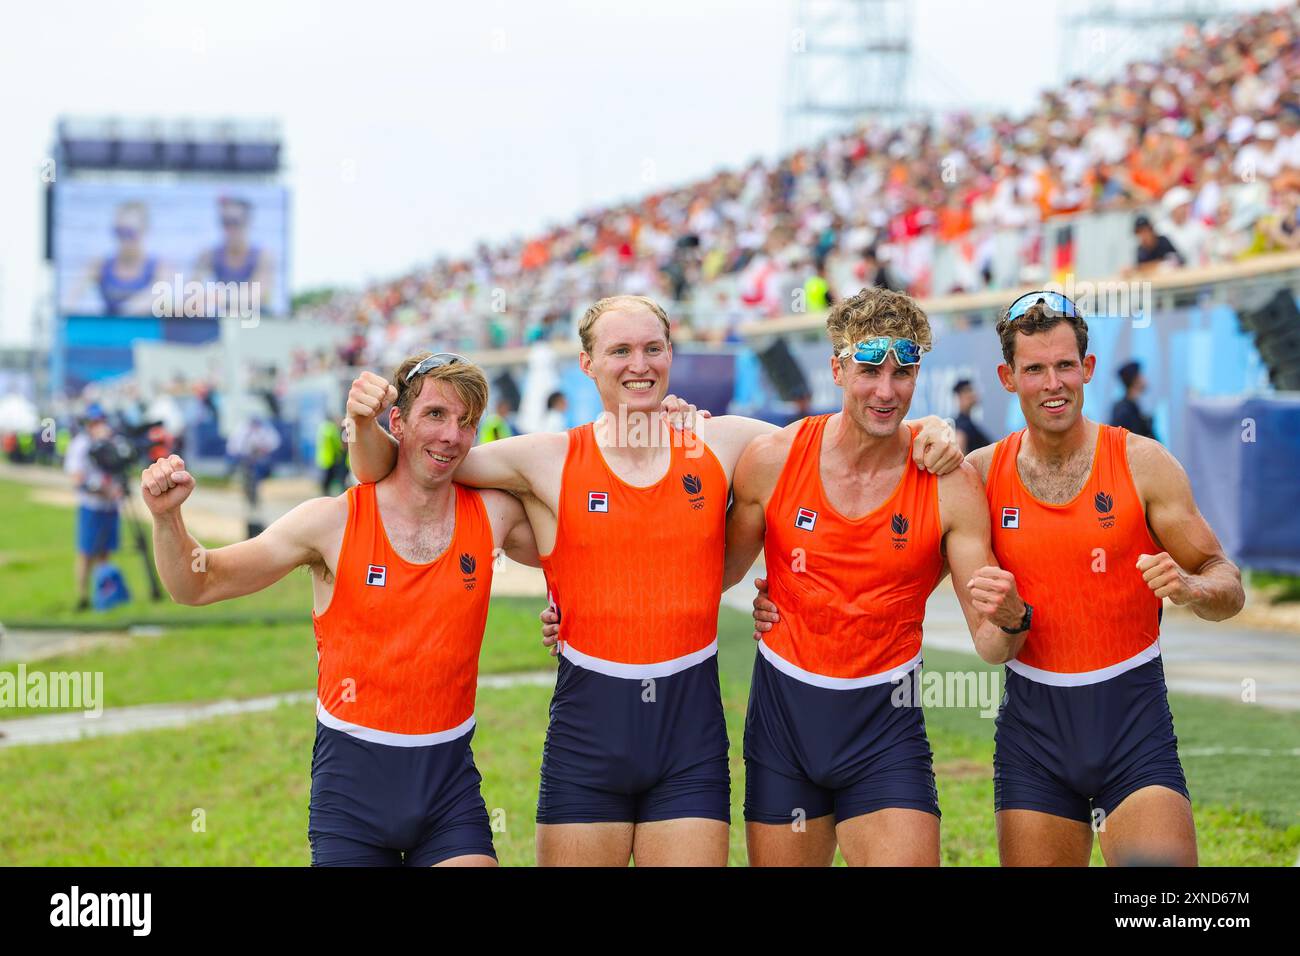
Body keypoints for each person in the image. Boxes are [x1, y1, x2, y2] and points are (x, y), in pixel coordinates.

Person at [345, 294, 962, 867]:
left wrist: (930, 429)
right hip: (588, 739)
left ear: (671, 357)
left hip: (687, 739)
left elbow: (845, 441)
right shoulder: (546, 457)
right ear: (587, 363)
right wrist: (365, 427)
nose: (638, 365)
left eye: (652, 349)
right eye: (620, 351)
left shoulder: (723, 443)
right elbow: (413, 467)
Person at [140, 352, 540, 866]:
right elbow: (197, 583)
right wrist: (167, 517)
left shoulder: (493, 513)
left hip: (448, 790)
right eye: (435, 415)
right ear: (397, 422)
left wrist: (563, 612)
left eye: (466, 424)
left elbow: (579, 551)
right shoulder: (331, 524)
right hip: (352, 794)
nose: (451, 436)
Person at [722, 288, 1029, 866]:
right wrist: (588, 609)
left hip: (885, 731)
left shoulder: (947, 481)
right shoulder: (775, 459)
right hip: (784, 724)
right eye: (868, 370)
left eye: (903, 372)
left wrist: (1015, 615)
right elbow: (709, 577)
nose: (886, 391)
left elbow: (992, 645)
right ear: (837, 369)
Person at [967, 291, 1243, 866]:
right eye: (1035, 369)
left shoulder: (1142, 463)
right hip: (1033, 741)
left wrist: (1192, 590)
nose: (1053, 383)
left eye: (1066, 365)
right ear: (1007, 376)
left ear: (1087, 368)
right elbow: (990, 645)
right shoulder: (981, 476)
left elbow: (1228, 584)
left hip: (1133, 733)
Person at [64, 404, 123, 611]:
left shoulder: (112, 441)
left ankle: (105, 594)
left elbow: (120, 468)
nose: (98, 426)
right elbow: (77, 478)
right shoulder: (80, 445)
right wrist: (100, 489)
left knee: (105, 552)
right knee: (86, 552)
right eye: (94, 422)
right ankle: (82, 595)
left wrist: (115, 490)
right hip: (91, 506)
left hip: (110, 506)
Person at [1110, 360, 1157, 441]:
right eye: (1141, 375)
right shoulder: (1123, 410)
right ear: (1135, 380)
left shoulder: (1133, 407)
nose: (1145, 378)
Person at [953, 379, 993, 453]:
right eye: (968, 390)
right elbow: (960, 442)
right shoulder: (962, 425)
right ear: (960, 397)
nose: (973, 394)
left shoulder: (970, 425)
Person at [316, 414, 348, 495]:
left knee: (326, 479)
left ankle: (324, 493)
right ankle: (327, 493)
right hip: (330, 458)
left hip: (323, 457)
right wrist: (340, 452)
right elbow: (336, 444)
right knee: (332, 478)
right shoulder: (331, 429)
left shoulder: (322, 427)